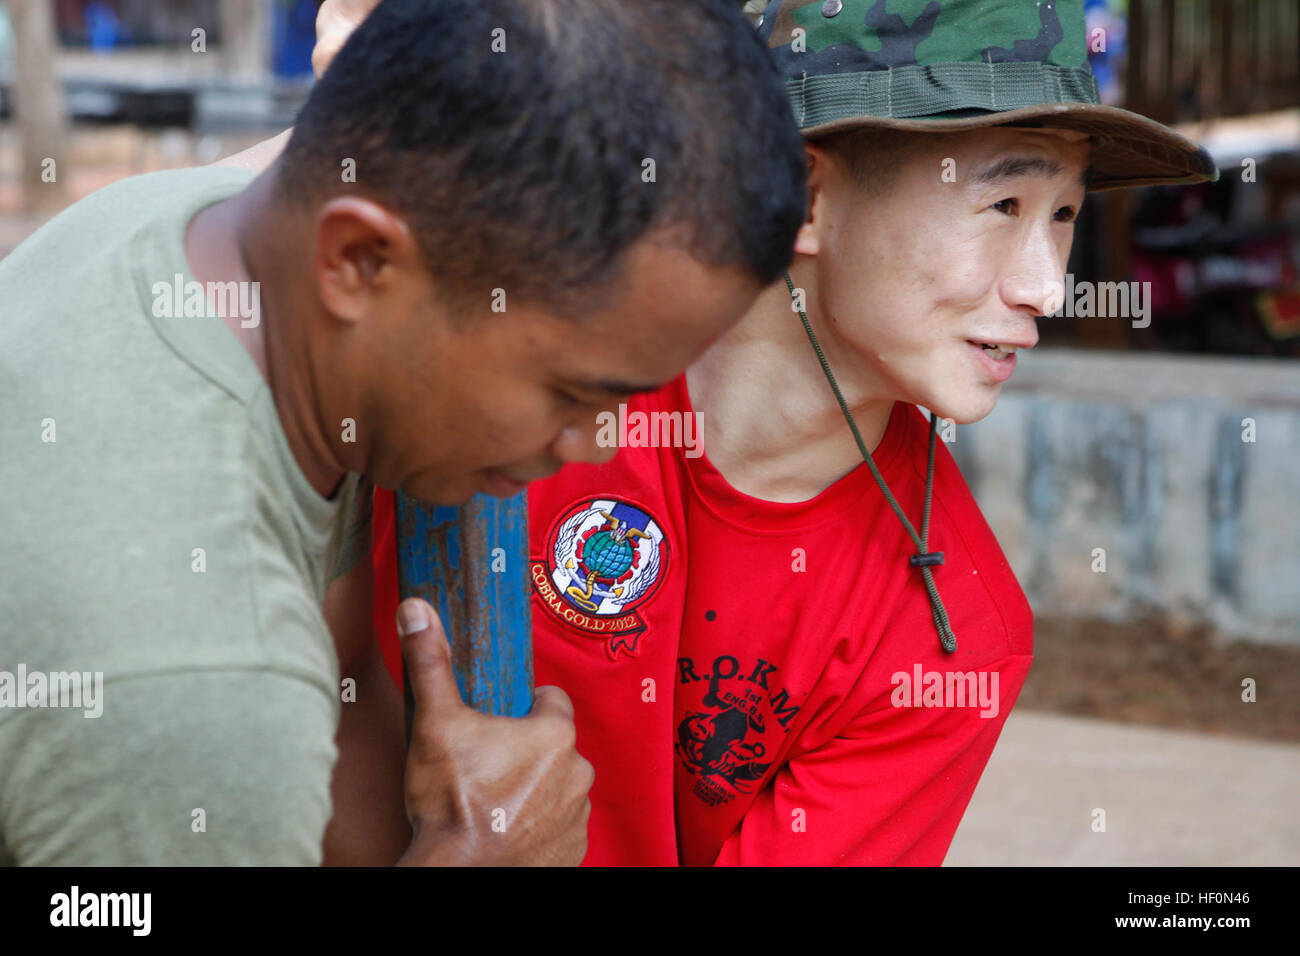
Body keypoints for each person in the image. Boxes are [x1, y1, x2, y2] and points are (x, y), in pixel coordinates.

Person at [368, 0, 1222, 865]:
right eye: (1004, 203)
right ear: (805, 198)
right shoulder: (521, 366)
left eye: (1064, 217)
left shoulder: (948, 636)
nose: (1048, 289)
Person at [0, 0, 806, 866]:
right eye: (572, 391)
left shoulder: (194, 227)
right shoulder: (201, 692)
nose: (599, 443)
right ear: (359, 261)